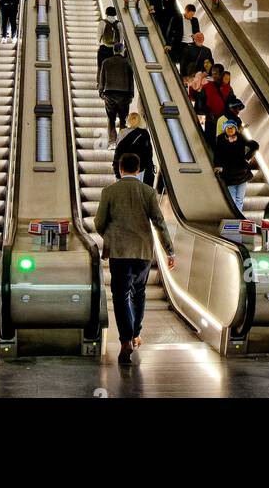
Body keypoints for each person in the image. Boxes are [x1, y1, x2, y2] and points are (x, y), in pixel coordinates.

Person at [94, 152, 176, 364]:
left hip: (119, 252)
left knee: (120, 295)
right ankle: (136, 333)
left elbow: (99, 222)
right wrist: (169, 250)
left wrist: (111, 236)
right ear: (139, 170)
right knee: (139, 292)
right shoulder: (148, 192)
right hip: (143, 252)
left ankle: (125, 340)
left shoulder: (109, 191)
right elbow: (159, 222)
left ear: (120, 169)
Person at [213, 121, 258, 215]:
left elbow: (254, 145)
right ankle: (235, 217)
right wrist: (220, 167)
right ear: (225, 129)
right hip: (230, 176)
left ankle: (239, 218)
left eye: (232, 127)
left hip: (242, 174)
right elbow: (218, 155)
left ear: (235, 129)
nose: (230, 129)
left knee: (239, 199)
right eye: (228, 127)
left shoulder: (241, 139)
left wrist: (248, 157)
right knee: (232, 200)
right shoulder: (221, 140)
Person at [97, 41, 135, 143]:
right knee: (123, 120)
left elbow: (102, 79)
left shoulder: (106, 62)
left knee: (111, 119)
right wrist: (131, 94)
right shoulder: (127, 63)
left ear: (113, 51)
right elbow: (131, 79)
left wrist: (101, 92)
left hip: (109, 94)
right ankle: (122, 142)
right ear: (122, 51)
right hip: (124, 95)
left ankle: (112, 141)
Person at [112, 111, 154, 185]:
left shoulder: (122, 133)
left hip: (123, 168)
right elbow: (148, 154)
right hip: (138, 169)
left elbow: (118, 152)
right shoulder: (144, 133)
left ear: (128, 120)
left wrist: (116, 169)